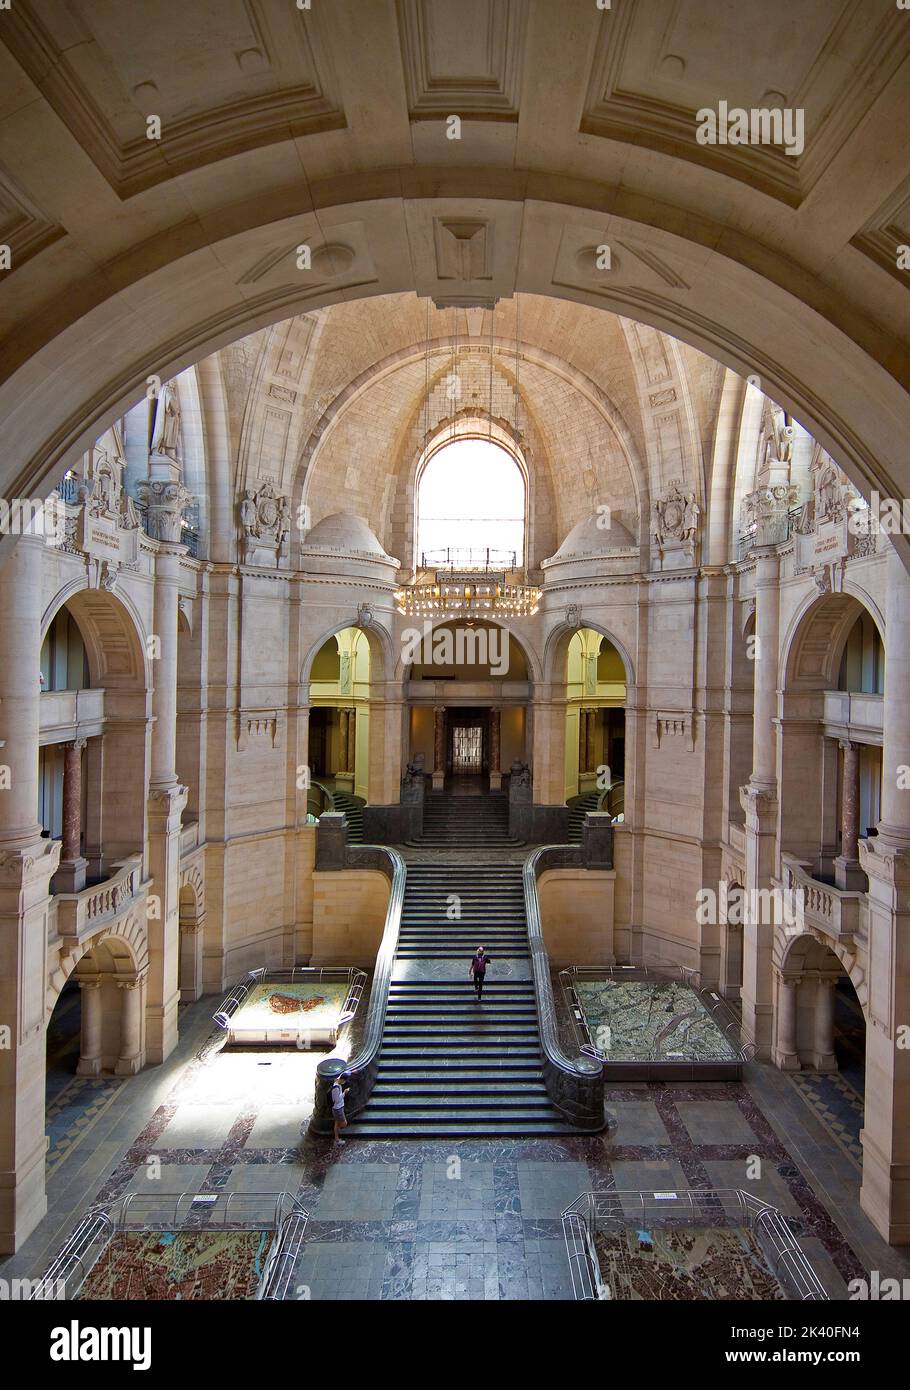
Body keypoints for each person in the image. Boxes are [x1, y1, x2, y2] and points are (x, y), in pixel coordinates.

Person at [329, 1072, 349, 1143]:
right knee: (344, 1123)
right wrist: (344, 1093)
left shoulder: (337, 1082)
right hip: (338, 1108)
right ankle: (336, 1137)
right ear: (342, 1079)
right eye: (344, 1081)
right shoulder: (336, 1088)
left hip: (339, 1107)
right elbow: (337, 1100)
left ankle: (336, 1139)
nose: (344, 1082)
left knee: (337, 1123)